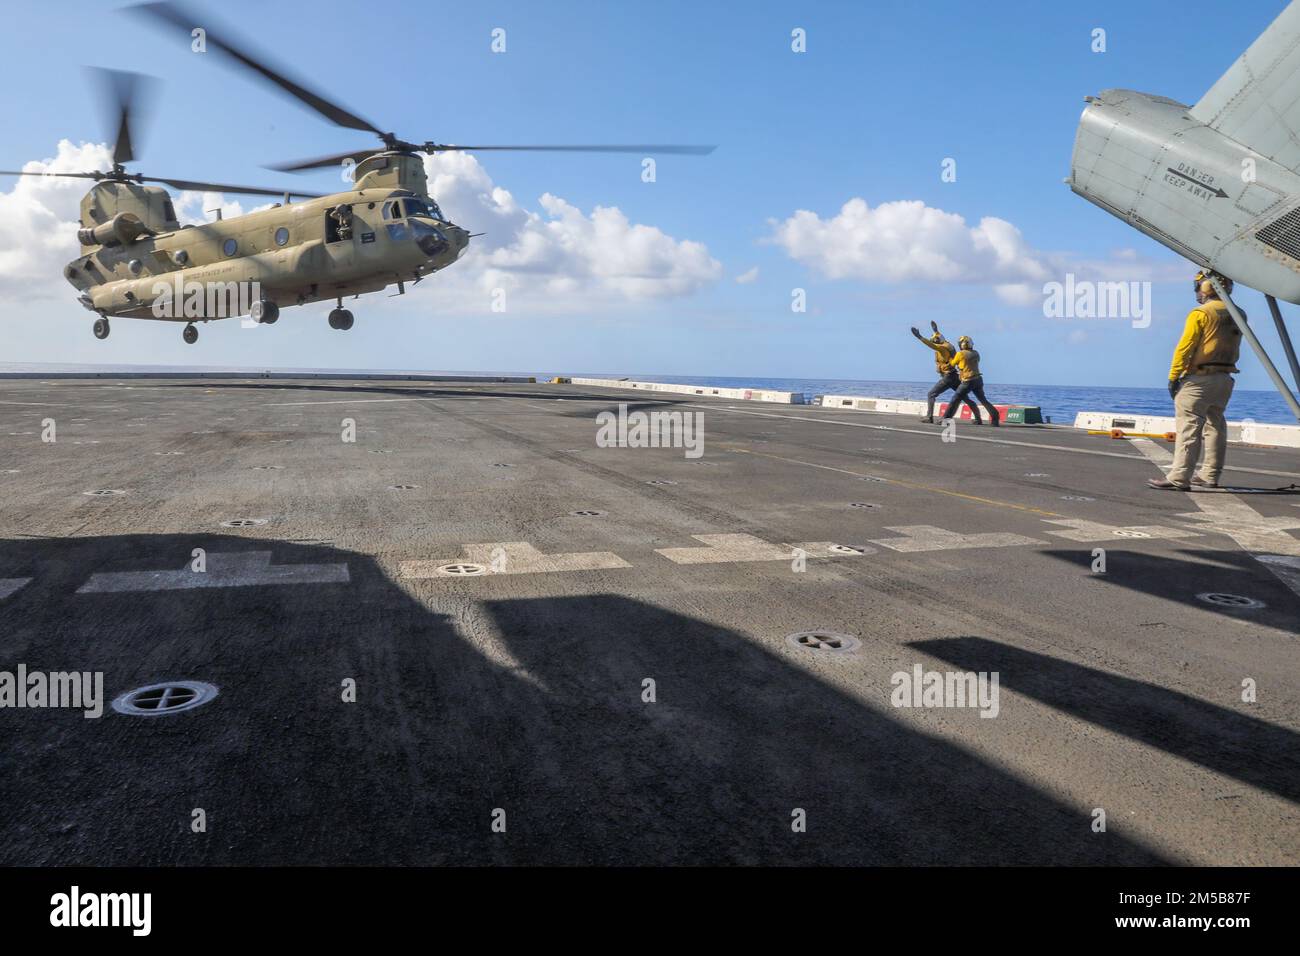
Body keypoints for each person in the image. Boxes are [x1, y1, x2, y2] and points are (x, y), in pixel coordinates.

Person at [1147, 271, 1243, 491]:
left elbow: (1185, 347)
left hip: (1199, 379)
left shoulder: (1201, 313)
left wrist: (1174, 376)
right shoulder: (1239, 313)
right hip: (1224, 379)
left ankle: (1179, 477)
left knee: (1189, 426)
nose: (1197, 291)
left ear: (1208, 287)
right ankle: (1210, 475)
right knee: (1215, 426)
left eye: (1199, 287)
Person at [911, 321, 982, 423]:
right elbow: (939, 338)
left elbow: (931, 345)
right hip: (954, 376)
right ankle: (978, 418)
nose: (934, 343)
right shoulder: (947, 344)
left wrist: (919, 337)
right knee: (964, 397)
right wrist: (935, 330)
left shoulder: (942, 348)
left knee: (931, 394)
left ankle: (929, 417)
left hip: (948, 377)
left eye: (935, 341)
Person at [941, 335, 1001, 426]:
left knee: (955, 399)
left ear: (961, 345)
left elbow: (952, 364)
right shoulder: (976, 353)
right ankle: (995, 418)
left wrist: (944, 365)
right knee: (983, 400)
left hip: (968, 381)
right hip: (978, 380)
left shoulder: (960, 354)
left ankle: (946, 419)